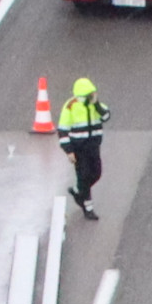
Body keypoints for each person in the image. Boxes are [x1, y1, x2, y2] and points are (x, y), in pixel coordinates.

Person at [57, 76, 107, 217]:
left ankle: (79, 191)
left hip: (93, 146)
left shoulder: (94, 105)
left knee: (96, 173)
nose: (93, 96)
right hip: (79, 149)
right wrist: (69, 151)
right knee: (84, 176)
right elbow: (62, 129)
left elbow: (106, 116)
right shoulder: (71, 106)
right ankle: (88, 208)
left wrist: (96, 104)